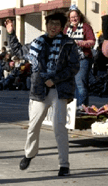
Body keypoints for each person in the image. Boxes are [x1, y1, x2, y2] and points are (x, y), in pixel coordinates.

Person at [18, 12, 80, 176]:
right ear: (46, 25)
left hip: (59, 90)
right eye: (51, 23)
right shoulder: (37, 42)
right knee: (33, 125)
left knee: (59, 127)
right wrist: (11, 33)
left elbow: (74, 67)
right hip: (39, 90)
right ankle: (29, 154)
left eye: (57, 24)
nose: (54, 27)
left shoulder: (68, 44)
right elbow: (20, 52)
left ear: (62, 27)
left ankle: (64, 165)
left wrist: (55, 79)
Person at [65, 6, 95, 107]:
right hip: (69, 60)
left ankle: (82, 107)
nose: (74, 19)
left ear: (79, 16)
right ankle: (73, 108)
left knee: (81, 84)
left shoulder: (85, 27)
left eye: (75, 16)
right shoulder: (67, 29)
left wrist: (80, 43)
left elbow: (92, 41)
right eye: (71, 17)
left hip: (83, 59)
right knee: (71, 85)